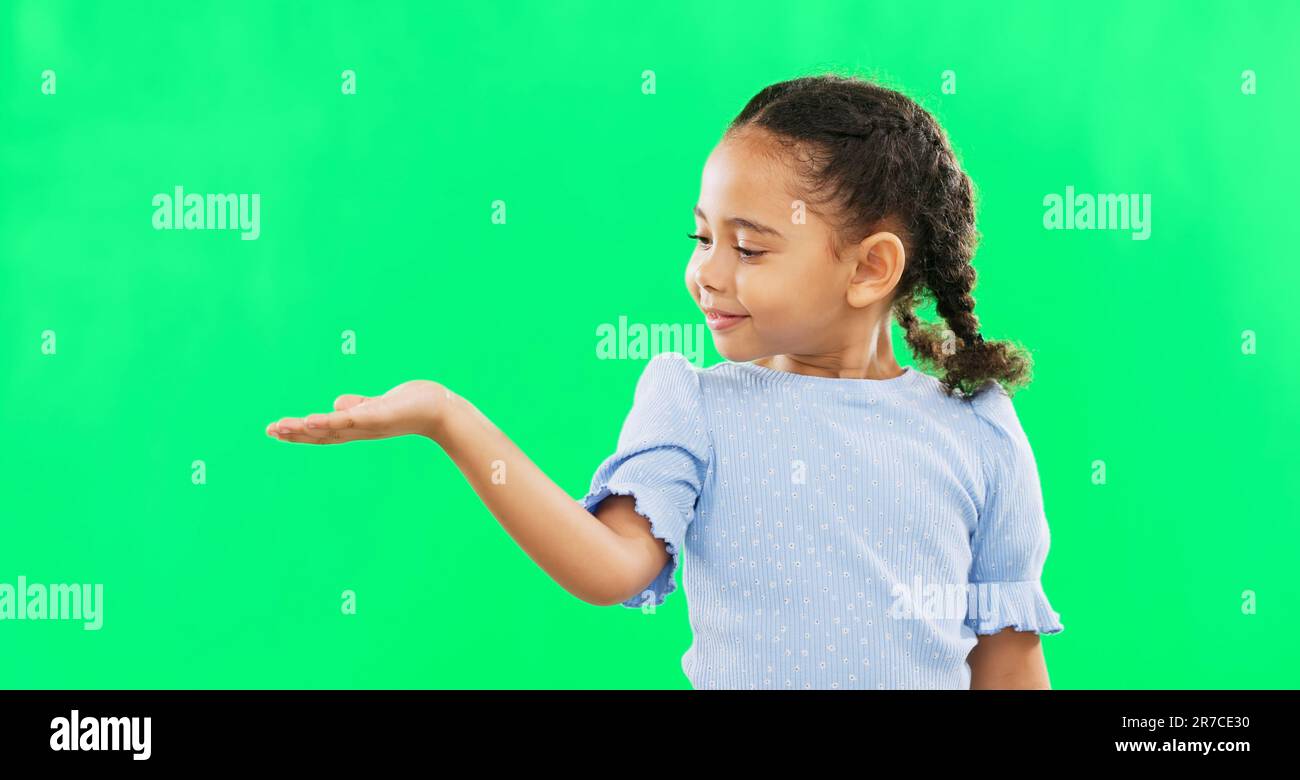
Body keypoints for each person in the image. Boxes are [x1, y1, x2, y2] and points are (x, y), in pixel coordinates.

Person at [267, 73, 1064, 690]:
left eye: (748, 249)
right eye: (702, 237)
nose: (705, 274)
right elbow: (610, 566)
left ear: (870, 268)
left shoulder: (977, 429)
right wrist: (449, 418)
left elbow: (1007, 663)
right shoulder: (694, 405)